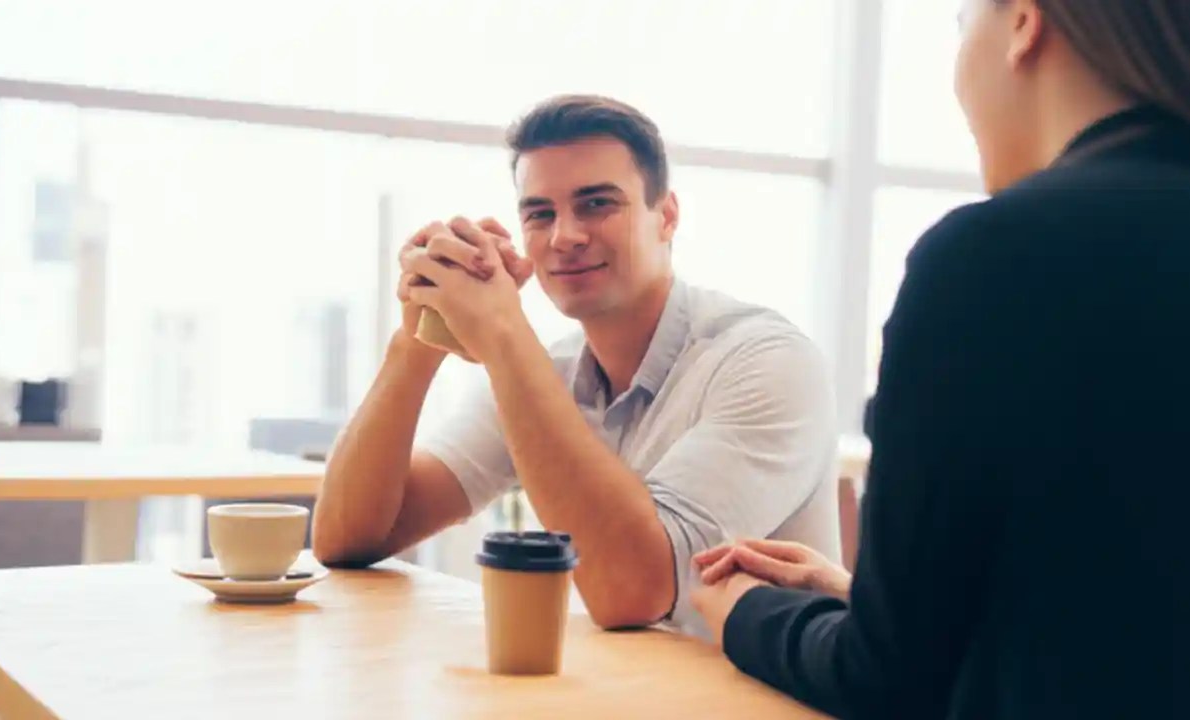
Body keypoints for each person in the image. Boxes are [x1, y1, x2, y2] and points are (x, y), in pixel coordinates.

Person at [692, 0, 1190, 717]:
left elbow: (888, 683)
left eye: (961, 24)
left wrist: (745, 611)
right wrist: (863, 598)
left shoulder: (993, 261)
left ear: (1023, 22)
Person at [312, 95, 840, 638]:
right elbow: (348, 537)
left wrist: (502, 332)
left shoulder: (769, 362)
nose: (564, 236)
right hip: (625, 693)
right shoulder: (551, 370)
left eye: (596, 204)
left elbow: (635, 591)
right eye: (540, 214)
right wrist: (420, 335)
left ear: (668, 217)